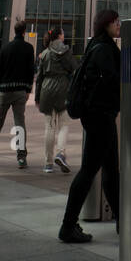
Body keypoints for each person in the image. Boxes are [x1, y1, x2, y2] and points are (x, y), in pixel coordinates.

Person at [58, 8, 121, 243]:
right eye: (115, 22)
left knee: (111, 170)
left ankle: (122, 220)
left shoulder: (96, 44)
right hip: (100, 117)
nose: (118, 25)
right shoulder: (104, 49)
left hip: (100, 116)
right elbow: (113, 81)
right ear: (106, 24)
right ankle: (67, 226)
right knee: (89, 171)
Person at [0, 19, 35, 169]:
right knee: (19, 123)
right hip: (19, 91)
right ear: (24, 32)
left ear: (15, 31)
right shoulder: (28, 48)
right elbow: (30, 71)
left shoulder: (6, 48)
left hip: (4, 91)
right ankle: (21, 158)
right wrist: (28, 90)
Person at [35, 27, 74, 174]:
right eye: (63, 34)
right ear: (59, 36)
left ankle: (48, 163)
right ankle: (61, 153)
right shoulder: (66, 52)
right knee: (63, 125)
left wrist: (37, 97)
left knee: (49, 126)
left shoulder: (44, 54)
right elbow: (74, 69)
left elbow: (39, 78)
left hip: (46, 90)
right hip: (63, 89)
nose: (64, 36)